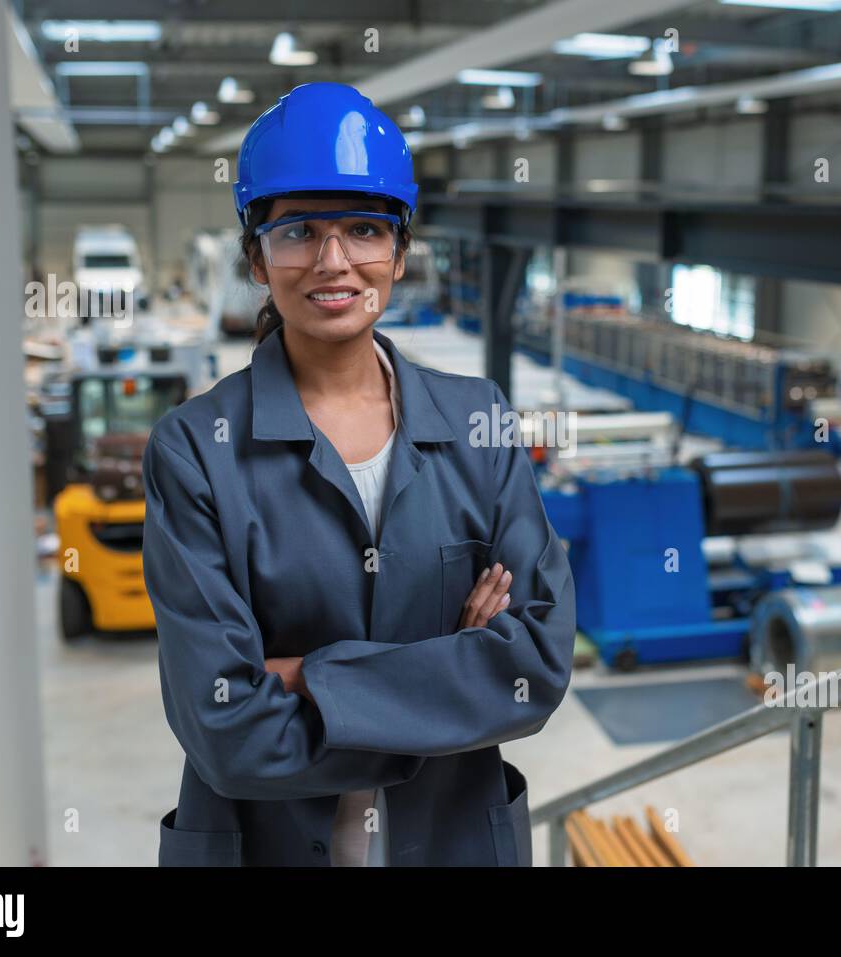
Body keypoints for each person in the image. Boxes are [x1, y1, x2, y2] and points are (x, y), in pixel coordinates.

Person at [141, 82, 576, 866]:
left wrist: (307, 675)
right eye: (299, 230)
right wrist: (445, 683)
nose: (334, 261)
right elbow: (224, 727)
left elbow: (534, 665)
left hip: (449, 843)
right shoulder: (196, 449)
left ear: (400, 253)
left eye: (364, 229)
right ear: (257, 255)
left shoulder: (479, 423)